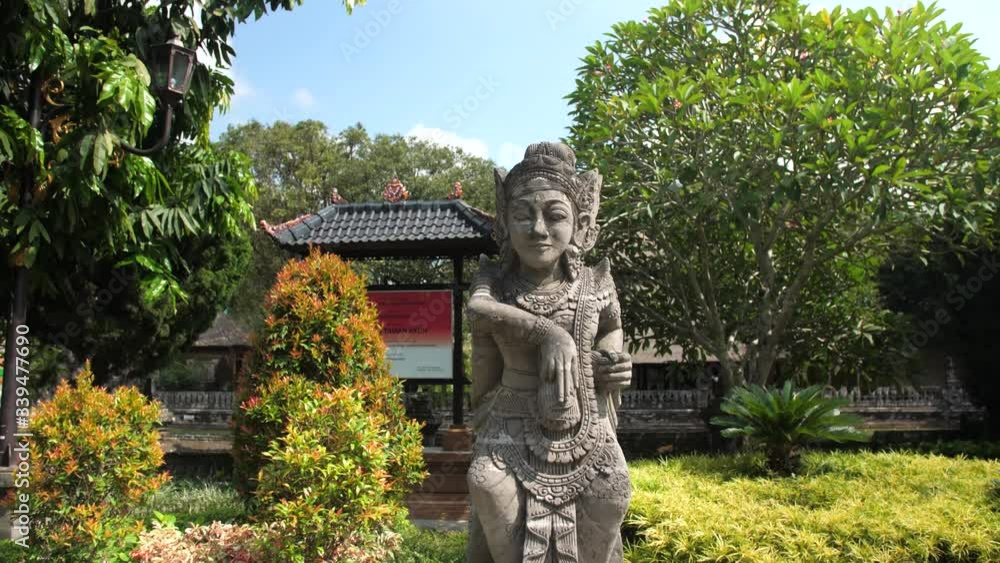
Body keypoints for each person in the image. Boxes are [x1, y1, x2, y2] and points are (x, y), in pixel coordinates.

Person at [466, 142, 632, 563]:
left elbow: (612, 329)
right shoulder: (494, 283)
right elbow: (479, 309)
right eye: (522, 215)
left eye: (554, 215)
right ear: (504, 223)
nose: (537, 229)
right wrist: (549, 334)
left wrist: (613, 359)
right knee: (487, 485)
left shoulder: (595, 284)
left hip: (585, 425)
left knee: (611, 491)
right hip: (509, 421)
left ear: (581, 225)